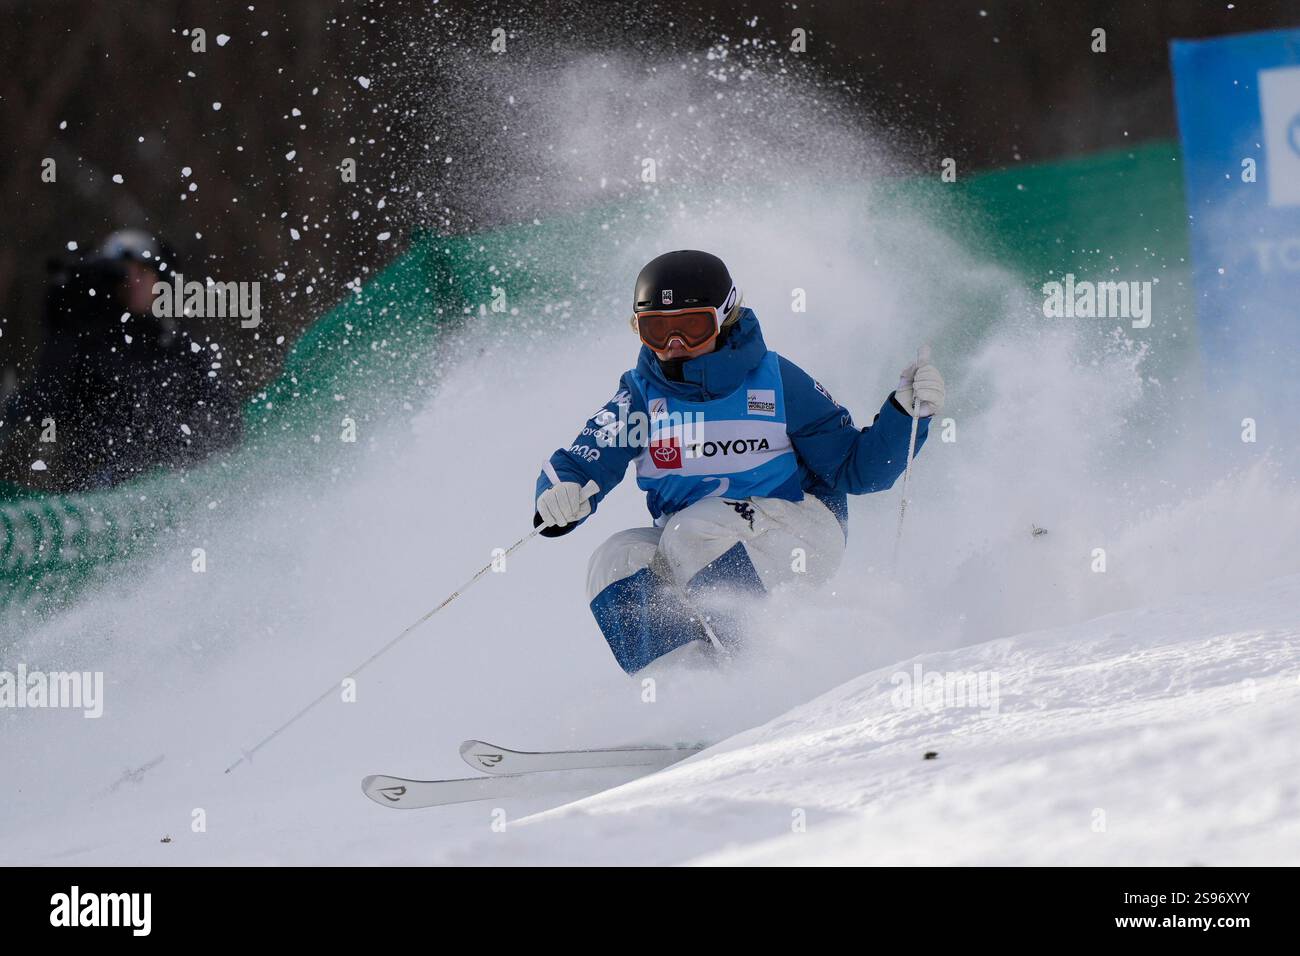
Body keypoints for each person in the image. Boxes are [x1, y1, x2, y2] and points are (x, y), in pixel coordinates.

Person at [533, 250, 945, 673]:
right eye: (657, 331)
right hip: (696, 543)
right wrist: (561, 491)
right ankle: (686, 691)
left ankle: (758, 668)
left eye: (692, 328)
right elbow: (586, 458)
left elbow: (855, 470)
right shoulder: (641, 396)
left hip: (802, 528)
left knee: (695, 527)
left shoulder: (775, 380)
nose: (675, 347)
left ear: (725, 316)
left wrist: (904, 415)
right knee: (615, 557)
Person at [0, 230, 243, 492]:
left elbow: (223, 417)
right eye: (124, 275)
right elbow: (44, 406)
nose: (135, 282)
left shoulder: (178, 346)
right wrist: (67, 318)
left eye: (144, 273)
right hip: (96, 493)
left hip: (171, 485)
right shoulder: (86, 345)